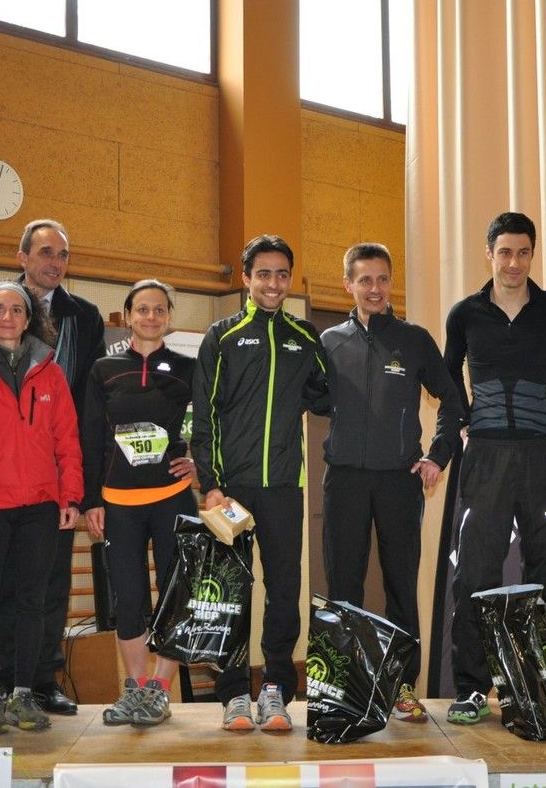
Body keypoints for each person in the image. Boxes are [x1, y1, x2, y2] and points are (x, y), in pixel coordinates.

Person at [442, 212, 546, 727]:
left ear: (533, 254)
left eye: (523, 252)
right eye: (504, 252)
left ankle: (540, 687)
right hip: (484, 457)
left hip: (539, 457)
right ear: (489, 254)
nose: (513, 262)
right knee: (475, 576)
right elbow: (446, 375)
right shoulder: (465, 313)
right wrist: (462, 423)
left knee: (543, 574)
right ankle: (470, 689)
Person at [318, 243, 464, 723]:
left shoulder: (415, 340)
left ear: (390, 283)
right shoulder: (329, 342)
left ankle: (402, 687)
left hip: (400, 483)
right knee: (344, 588)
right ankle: (344, 684)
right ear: (349, 285)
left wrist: (436, 456)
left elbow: (453, 402)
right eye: (365, 280)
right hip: (344, 482)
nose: (374, 289)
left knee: (401, 586)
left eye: (382, 279)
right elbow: (311, 400)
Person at [192, 234, 328, 732]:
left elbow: (327, 396)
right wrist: (209, 484)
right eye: (263, 274)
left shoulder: (305, 337)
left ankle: (274, 690)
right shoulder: (222, 336)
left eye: (281, 274)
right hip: (229, 492)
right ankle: (231, 694)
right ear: (246, 279)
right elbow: (202, 416)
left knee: (283, 590)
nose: (273, 283)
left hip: (283, 489)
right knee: (230, 593)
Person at [0, 281, 83, 736]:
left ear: (29, 318)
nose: (7, 316)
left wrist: (71, 496)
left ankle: (24, 693)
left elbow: (68, 440)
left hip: (40, 506)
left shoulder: (51, 372)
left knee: (33, 602)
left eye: (16, 310)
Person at [0, 219, 105, 716]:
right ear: (22, 258)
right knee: (2, 584)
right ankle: (2, 686)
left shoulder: (83, 315)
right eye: (45, 252)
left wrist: (89, 481)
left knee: (52, 583)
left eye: (62, 254)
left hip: (62, 471)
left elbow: (94, 399)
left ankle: (43, 680)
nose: (54, 263)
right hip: (1, 472)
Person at [81, 279, 196, 728]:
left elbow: (208, 423)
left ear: (169, 315)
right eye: (142, 309)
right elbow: (90, 438)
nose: (151, 317)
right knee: (129, 599)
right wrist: (92, 500)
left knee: (174, 596)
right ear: (127, 315)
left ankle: (160, 691)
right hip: (119, 504)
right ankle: (136, 687)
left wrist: (197, 464)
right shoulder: (103, 369)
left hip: (173, 500)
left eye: (159, 309)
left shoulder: (188, 368)